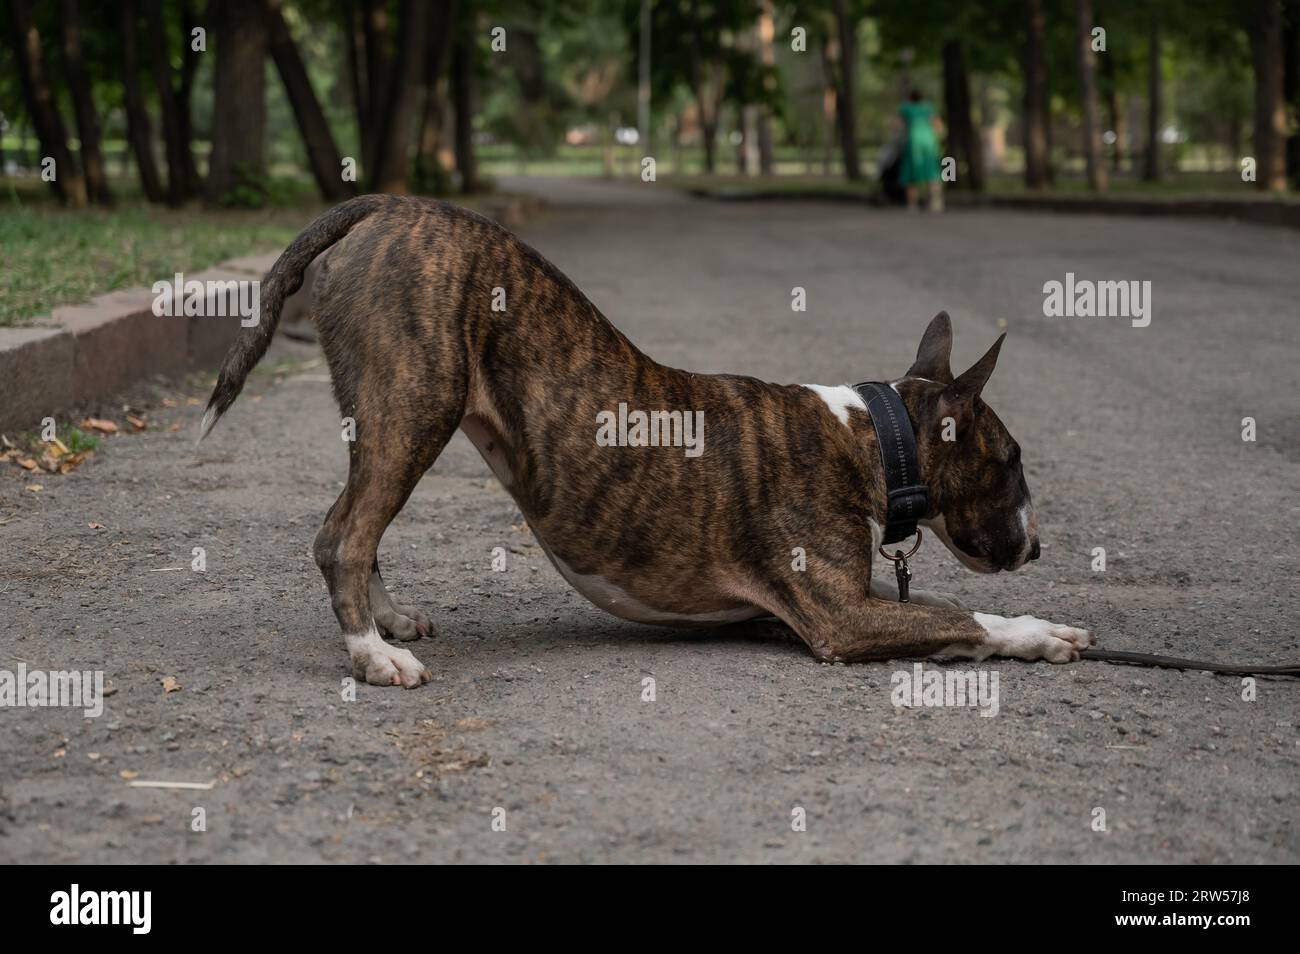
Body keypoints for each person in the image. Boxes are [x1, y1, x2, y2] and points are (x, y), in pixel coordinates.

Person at [897, 88, 944, 212]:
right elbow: (938, 126)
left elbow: (899, 125)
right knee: (932, 172)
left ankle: (912, 205)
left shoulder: (906, 108)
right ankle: (936, 203)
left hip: (913, 142)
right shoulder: (928, 108)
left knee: (911, 175)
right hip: (929, 142)